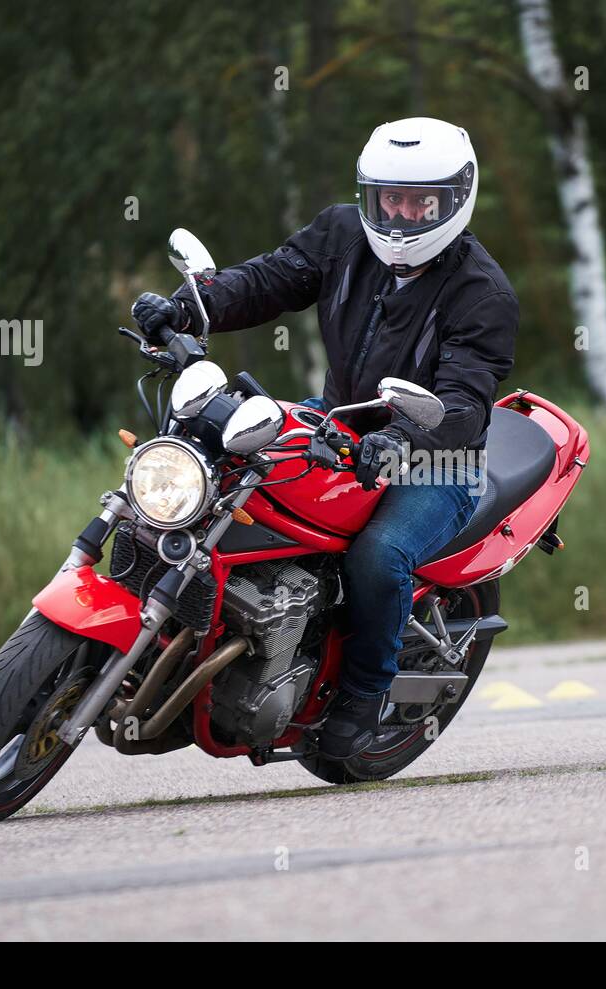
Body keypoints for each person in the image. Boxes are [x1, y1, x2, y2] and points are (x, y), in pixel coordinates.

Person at [131, 117, 518, 759]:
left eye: (421, 202)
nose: (401, 215)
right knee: (217, 465)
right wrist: (189, 305)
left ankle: (365, 699)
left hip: (435, 459)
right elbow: (267, 280)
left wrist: (402, 440)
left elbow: (464, 401)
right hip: (336, 423)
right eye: (389, 198)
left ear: (455, 199)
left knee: (379, 555)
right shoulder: (342, 233)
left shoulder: (483, 292)